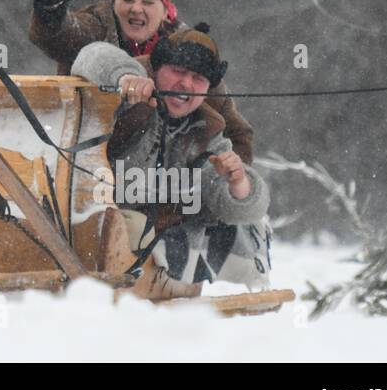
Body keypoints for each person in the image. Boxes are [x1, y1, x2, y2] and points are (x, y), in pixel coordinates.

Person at [71, 25, 271, 298]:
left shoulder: (208, 131)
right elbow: (91, 54)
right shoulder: (128, 93)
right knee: (132, 225)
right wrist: (126, 77)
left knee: (245, 227)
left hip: (154, 240)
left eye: (198, 78)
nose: (186, 84)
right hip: (91, 218)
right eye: (178, 71)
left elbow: (234, 205)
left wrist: (238, 183)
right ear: (158, 68)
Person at [22, 0, 255, 161]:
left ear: (166, 12)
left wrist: (231, 175)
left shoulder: (188, 50)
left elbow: (233, 129)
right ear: (114, 5)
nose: (136, 8)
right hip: (84, 151)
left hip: (153, 174)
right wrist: (51, 12)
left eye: (148, 1)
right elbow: (66, 35)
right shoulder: (98, 26)